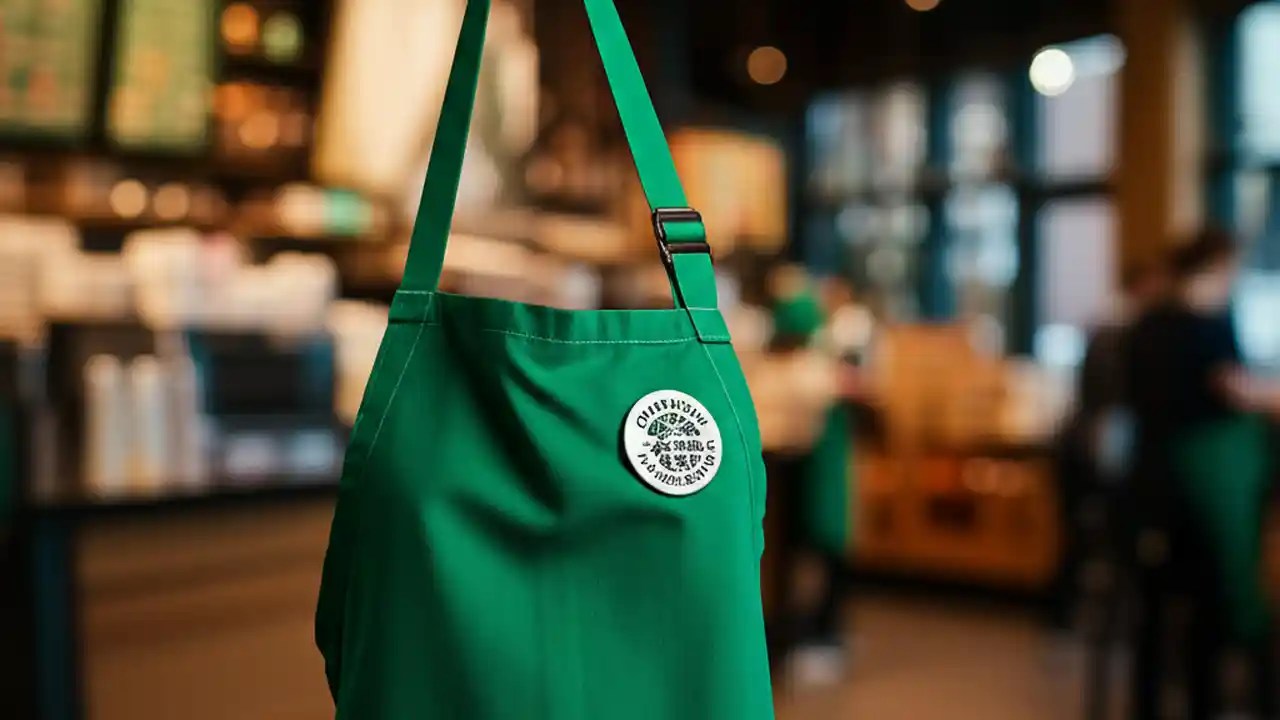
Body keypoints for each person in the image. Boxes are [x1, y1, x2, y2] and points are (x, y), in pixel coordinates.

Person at [1126, 228, 1277, 720]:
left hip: (1148, 487)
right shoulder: (1208, 326)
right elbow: (1237, 390)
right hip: (1198, 494)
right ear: (1219, 266)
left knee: (1154, 611)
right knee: (1208, 605)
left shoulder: (1144, 326)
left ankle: (1149, 702)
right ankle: (1205, 702)